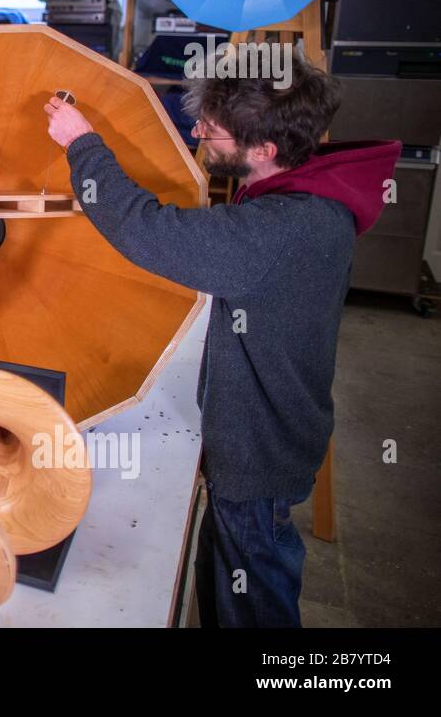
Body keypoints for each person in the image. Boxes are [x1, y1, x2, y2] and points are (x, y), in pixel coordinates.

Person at [43, 58, 400, 627]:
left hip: (257, 457)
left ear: (263, 149)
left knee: (254, 607)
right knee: (229, 583)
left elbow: (146, 229)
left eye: (212, 129)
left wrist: (83, 144)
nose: (199, 135)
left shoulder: (279, 231)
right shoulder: (309, 201)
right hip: (269, 440)